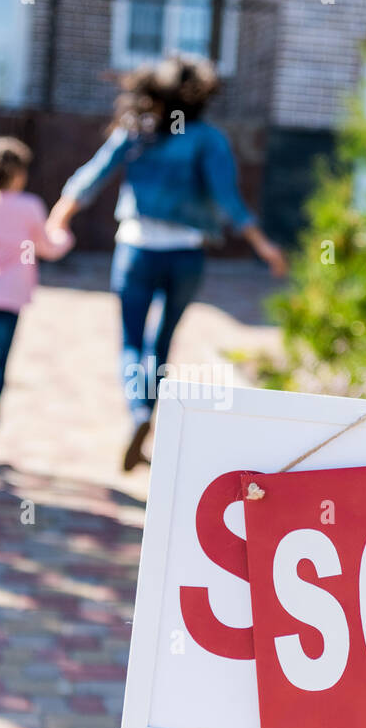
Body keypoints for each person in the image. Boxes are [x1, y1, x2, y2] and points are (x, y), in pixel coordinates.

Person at [47, 55, 287, 472]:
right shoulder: (209, 140)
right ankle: (147, 416)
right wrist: (263, 245)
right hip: (186, 255)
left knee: (130, 342)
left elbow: (93, 173)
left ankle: (138, 412)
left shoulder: (137, 131)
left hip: (136, 249)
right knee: (161, 345)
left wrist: (58, 217)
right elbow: (229, 200)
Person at [0, 138, 74, 460]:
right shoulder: (29, 206)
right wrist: (64, 233)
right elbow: (48, 245)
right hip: (11, 292)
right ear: (18, 173)